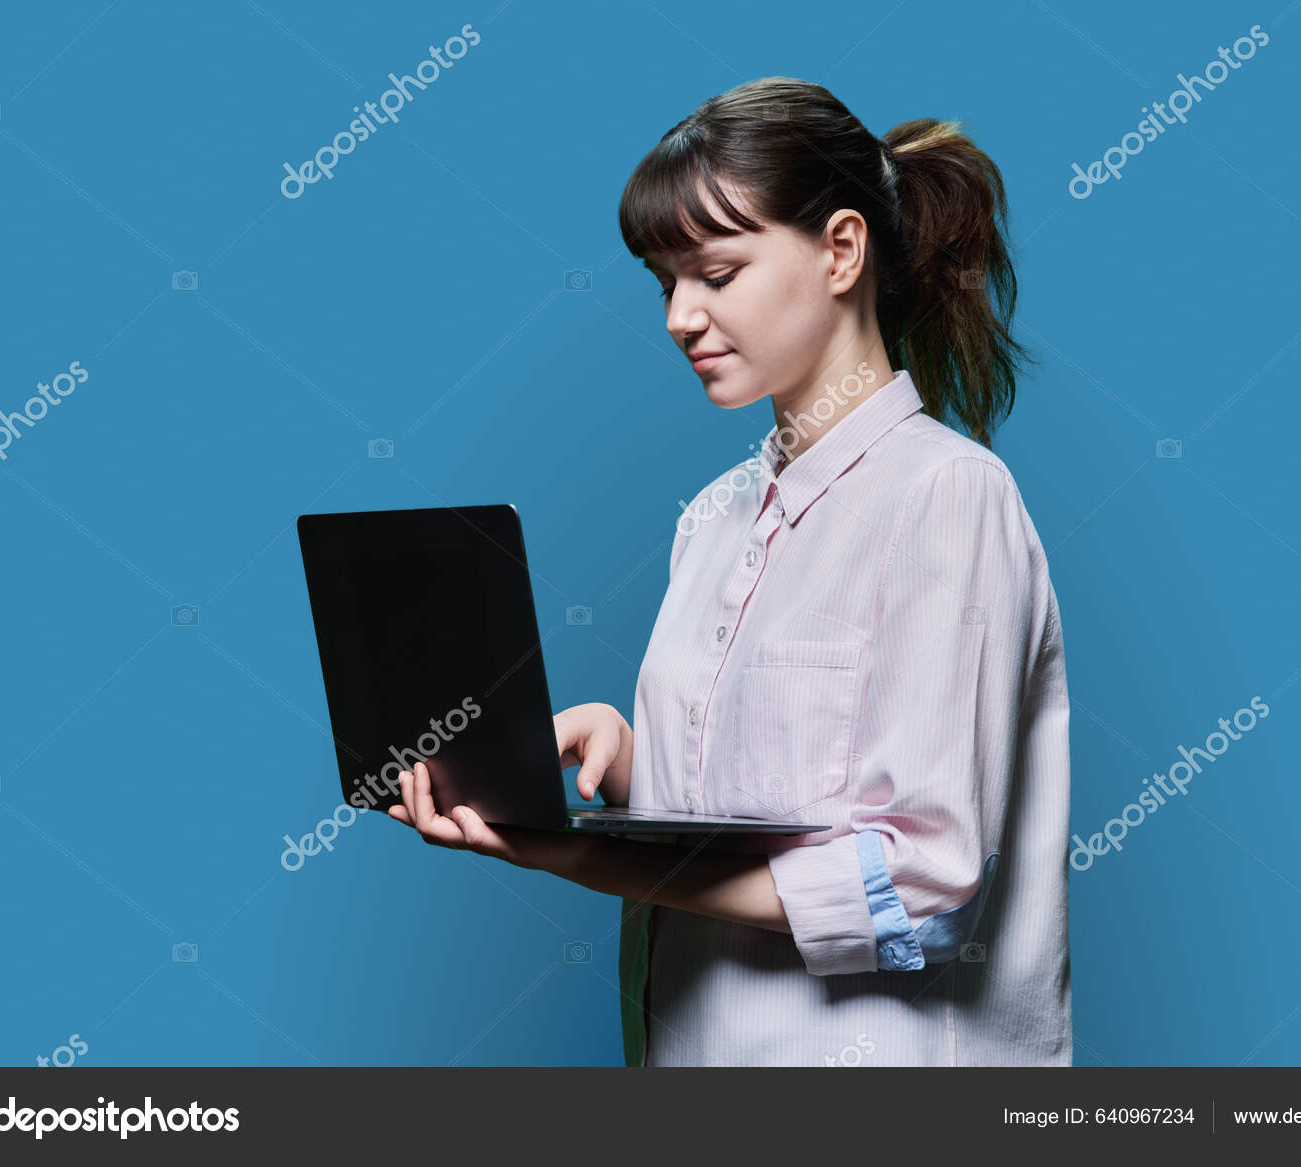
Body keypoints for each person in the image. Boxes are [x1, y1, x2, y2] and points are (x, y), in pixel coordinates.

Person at [388, 76, 1071, 1067]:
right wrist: (622, 768)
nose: (678, 316)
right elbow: (765, 805)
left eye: (714, 272)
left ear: (841, 249)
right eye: (664, 281)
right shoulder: (713, 517)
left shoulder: (948, 497)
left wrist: (581, 854)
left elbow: (916, 888)